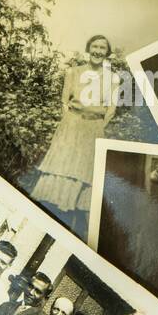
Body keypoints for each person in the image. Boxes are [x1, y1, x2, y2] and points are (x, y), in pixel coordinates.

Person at [30, 34, 117, 231]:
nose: (97, 51)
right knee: (62, 169)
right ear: (88, 49)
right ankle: (49, 212)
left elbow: (111, 109)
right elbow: (64, 100)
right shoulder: (74, 72)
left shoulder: (112, 79)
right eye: (94, 46)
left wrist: (98, 126)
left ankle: (71, 218)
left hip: (93, 128)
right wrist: (68, 120)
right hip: (72, 126)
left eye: (102, 48)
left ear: (107, 53)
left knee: (83, 175)